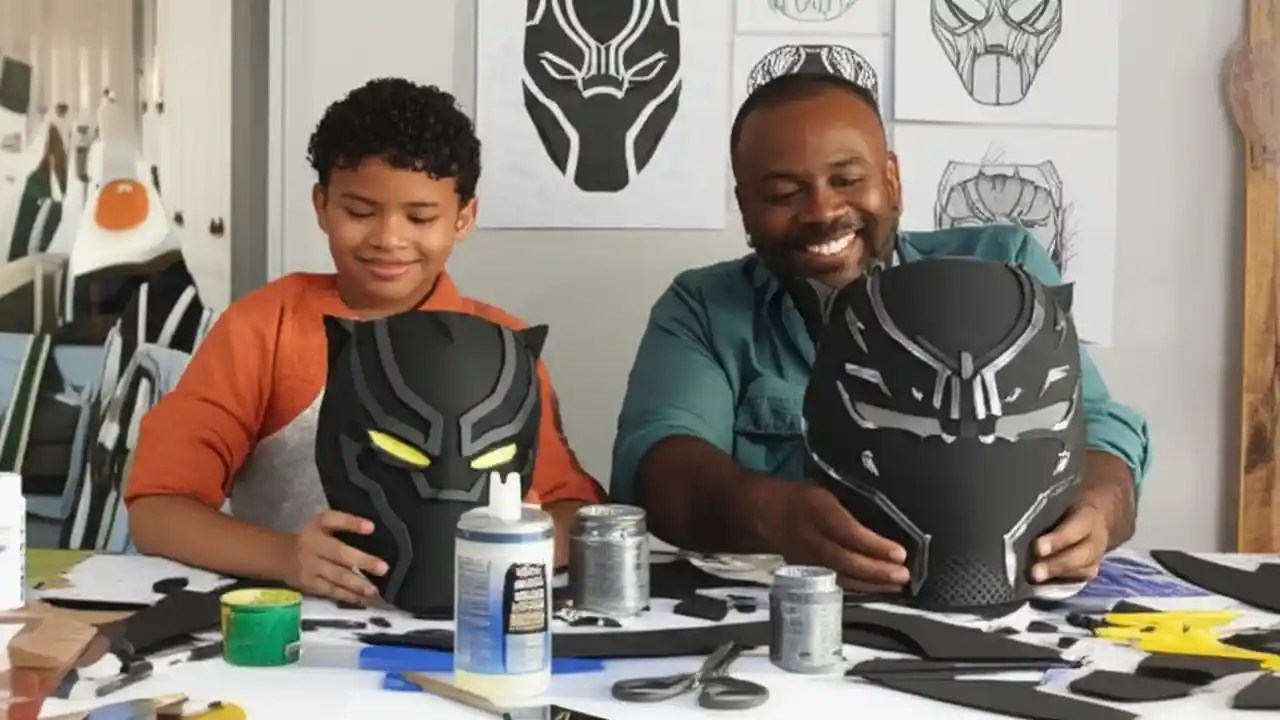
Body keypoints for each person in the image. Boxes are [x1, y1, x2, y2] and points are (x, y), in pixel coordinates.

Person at [610, 74, 1151, 592]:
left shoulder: (1004, 267)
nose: (822, 211)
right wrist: (772, 515)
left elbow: (1096, 423)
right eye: (782, 193)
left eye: (847, 180)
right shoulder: (702, 307)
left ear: (891, 181)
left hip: (1002, 608)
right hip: (783, 621)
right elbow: (661, 465)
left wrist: (1102, 505)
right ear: (747, 208)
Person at [125, 78, 604, 605]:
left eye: (420, 217)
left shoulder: (505, 347)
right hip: (294, 637)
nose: (388, 239)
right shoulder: (264, 327)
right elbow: (157, 510)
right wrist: (285, 557)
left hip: (472, 629)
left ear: (464, 217)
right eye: (359, 212)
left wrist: (526, 543)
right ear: (321, 203)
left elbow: (574, 513)